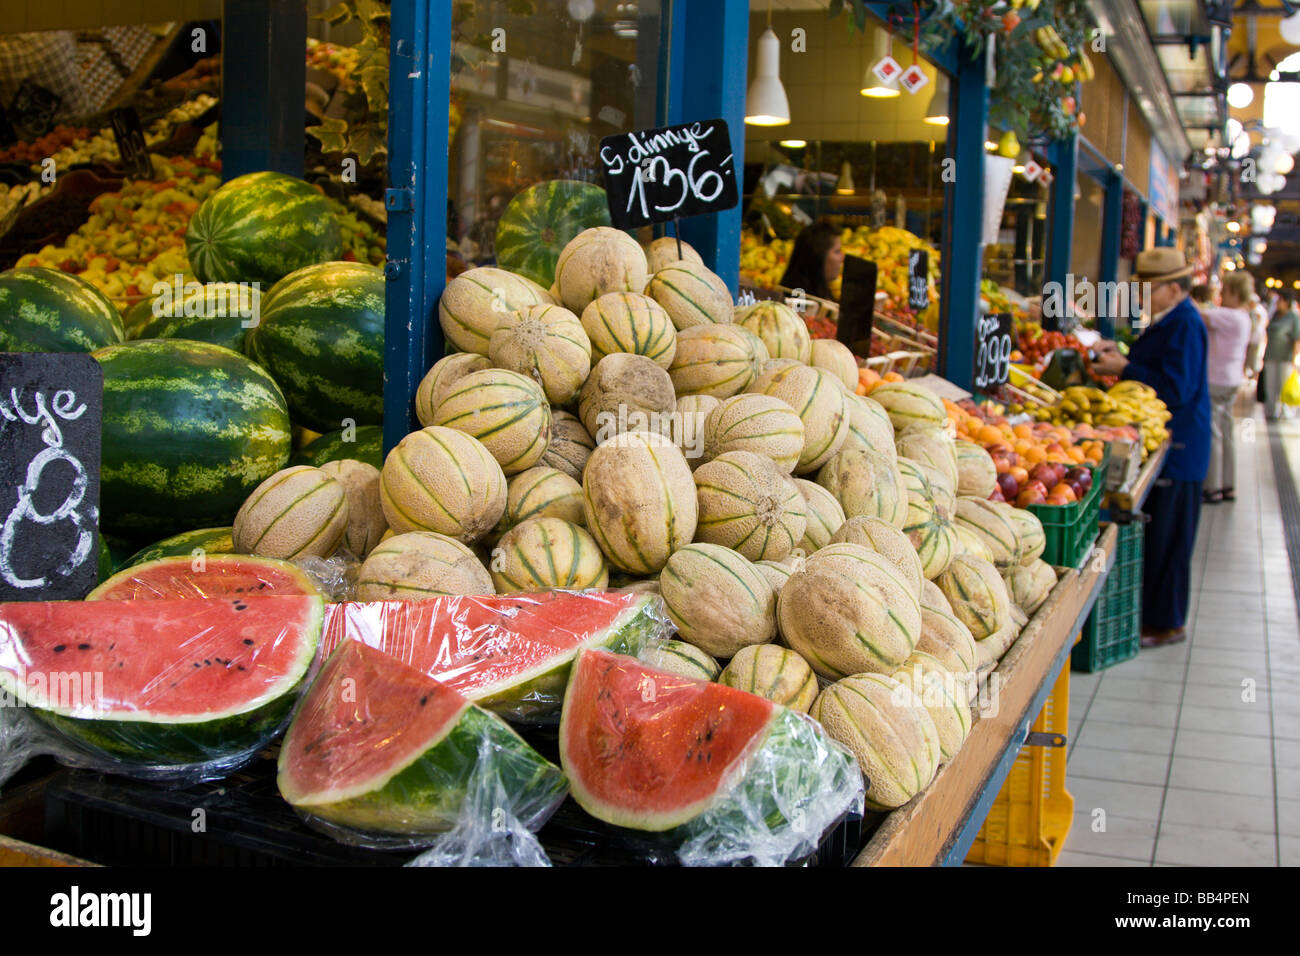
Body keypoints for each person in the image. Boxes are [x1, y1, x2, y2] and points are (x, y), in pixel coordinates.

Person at [1093, 248, 1210, 649]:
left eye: (1149, 288)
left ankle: (1167, 624)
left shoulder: (1186, 324)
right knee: (1161, 537)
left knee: (1170, 540)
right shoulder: (1172, 320)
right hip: (1171, 442)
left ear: (1174, 289)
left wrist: (1125, 369)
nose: (1142, 294)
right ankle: (1158, 619)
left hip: (1180, 448)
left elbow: (1177, 388)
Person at [1199, 271, 1255, 504]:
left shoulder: (1228, 315)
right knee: (1227, 432)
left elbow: (1199, 315)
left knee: (1214, 433)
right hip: (1232, 380)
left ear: (1233, 292)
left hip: (1216, 380)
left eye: (1224, 292)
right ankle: (1228, 485)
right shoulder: (1244, 317)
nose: (1221, 296)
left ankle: (1211, 487)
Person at [779, 220, 844, 301]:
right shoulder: (798, 296)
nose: (842, 258)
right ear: (818, 256)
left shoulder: (819, 289)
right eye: (837, 251)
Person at [1263, 294, 1300, 420]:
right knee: (1271, 384)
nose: (1277, 303)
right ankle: (1271, 410)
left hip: (1285, 356)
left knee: (1283, 384)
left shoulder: (1293, 317)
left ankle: (1285, 411)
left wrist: (1294, 358)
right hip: (1271, 353)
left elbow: (1296, 339)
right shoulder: (1275, 315)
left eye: (1280, 301)